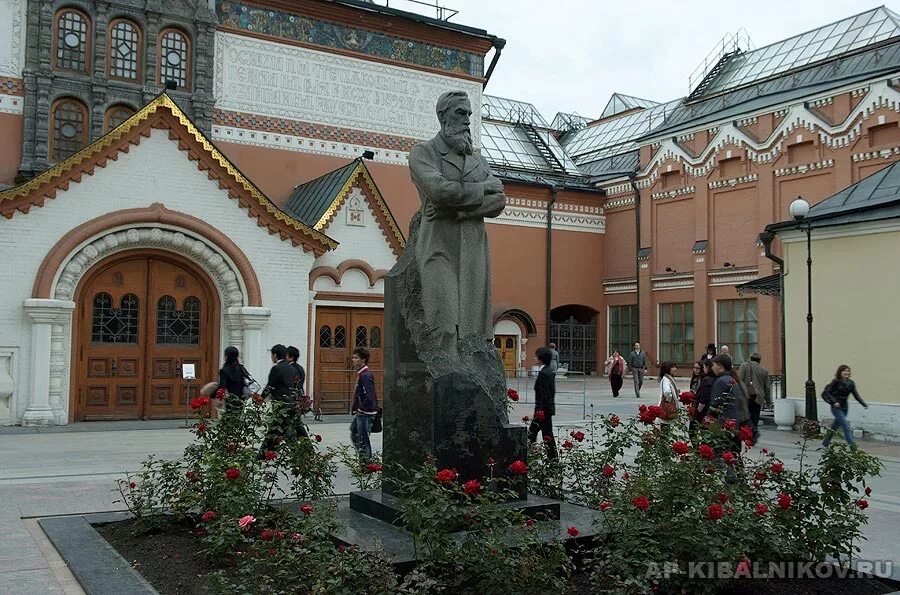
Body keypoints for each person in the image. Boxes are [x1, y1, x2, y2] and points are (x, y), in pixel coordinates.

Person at [407, 90, 507, 355]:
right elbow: (439, 191)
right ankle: (440, 388)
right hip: (439, 248)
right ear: (443, 116)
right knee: (444, 325)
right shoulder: (424, 153)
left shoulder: (478, 162)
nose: (466, 121)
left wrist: (460, 213)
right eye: (460, 113)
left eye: (469, 115)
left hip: (473, 253)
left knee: (473, 335)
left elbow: (498, 202)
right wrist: (484, 187)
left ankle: (468, 389)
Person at [261, 344, 307, 455]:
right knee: (286, 428)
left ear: (275, 355)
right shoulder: (292, 368)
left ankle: (264, 454)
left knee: (279, 429)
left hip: (280, 404)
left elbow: (270, 386)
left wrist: (260, 399)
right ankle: (303, 452)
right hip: (291, 402)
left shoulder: (277, 368)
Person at [709, 354, 753, 454]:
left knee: (722, 455)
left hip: (723, 424)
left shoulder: (721, 381)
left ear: (720, 365)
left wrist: (708, 420)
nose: (712, 367)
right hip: (734, 424)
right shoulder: (732, 380)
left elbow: (715, 405)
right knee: (733, 455)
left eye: (713, 365)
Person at [822, 365, 868, 448]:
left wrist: (863, 404)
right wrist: (834, 402)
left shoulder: (851, 383)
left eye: (848, 371)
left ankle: (825, 443)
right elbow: (827, 393)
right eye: (844, 371)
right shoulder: (836, 381)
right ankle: (853, 448)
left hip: (845, 408)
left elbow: (856, 395)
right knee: (845, 426)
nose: (846, 373)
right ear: (840, 372)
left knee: (834, 427)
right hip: (836, 408)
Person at [528, 347, 557, 460]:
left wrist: (540, 411)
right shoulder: (548, 371)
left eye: (537, 356)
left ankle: (551, 459)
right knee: (542, 434)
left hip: (542, 410)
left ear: (541, 358)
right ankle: (551, 458)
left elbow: (544, 393)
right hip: (545, 409)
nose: (535, 358)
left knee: (543, 434)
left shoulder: (545, 373)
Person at [350, 347, 379, 459]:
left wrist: (362, 409)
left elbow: (369, 395)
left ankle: (367, 463)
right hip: (362, 412)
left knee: (362, 439)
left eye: (356, 358)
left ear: (363, 360)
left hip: (365, 413)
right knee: (355, 433)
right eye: (353, 357)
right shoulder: (362, 374)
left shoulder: (366, 375)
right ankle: (366, 459)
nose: (353, 360)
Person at [739, 352, 770, 431]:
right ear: (759, 360)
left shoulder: (744, 366)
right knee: (755, 418)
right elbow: (767, 387)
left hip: (746, 396)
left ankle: (746, 435)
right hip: (758, 398)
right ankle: (753, 435)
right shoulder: (764, 371)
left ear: (750, 358)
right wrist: (768, 401)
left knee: (745, 418)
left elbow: (740, 381)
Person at [218, 346, 248, 413]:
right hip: (241, 397)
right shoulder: (241, 368)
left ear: (227, 356)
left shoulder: (224, 370)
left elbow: (222, 387)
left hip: (230, 399)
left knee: (229, 418)